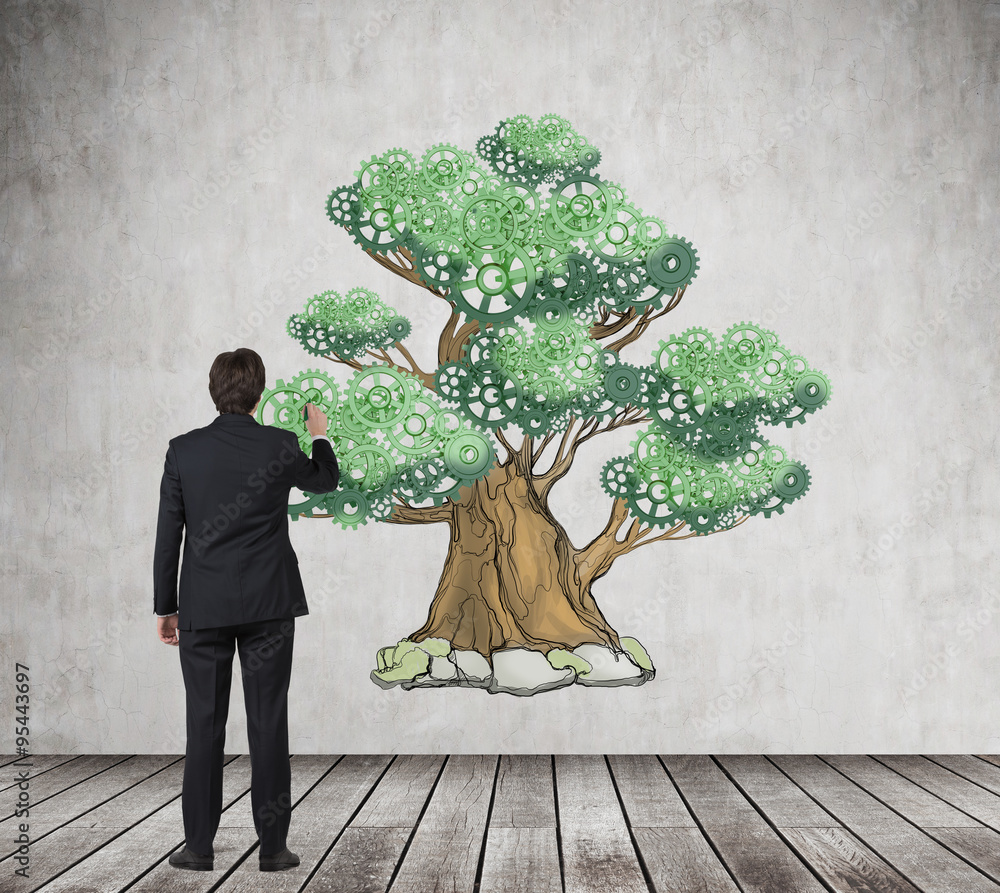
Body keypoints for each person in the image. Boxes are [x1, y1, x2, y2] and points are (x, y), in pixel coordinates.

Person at [153, 348, 339, 873]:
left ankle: (198, 849)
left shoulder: (183, 451)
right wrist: (319, 433)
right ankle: (274, 850)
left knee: (204, 727)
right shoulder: (280, 445)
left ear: (214, 390)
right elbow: (325, 480)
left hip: (204, 608)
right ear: (258, 392)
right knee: (268, 723)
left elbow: (170, 536)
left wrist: (167, 607)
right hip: (269, 604)